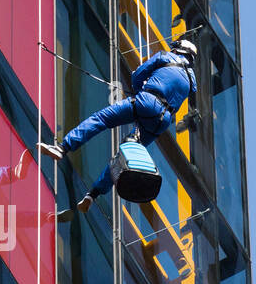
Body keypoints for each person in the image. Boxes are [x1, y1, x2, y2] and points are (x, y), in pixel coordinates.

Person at [39, 39, 198, 214]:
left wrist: (140, 93)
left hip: (147, 101)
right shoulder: (191, 81)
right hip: (162, 120)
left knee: (101, 119)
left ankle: (63, 148)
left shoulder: (164, 56)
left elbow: (138, 75)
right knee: (123, 155)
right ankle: (93, 194)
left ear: (177, 50)